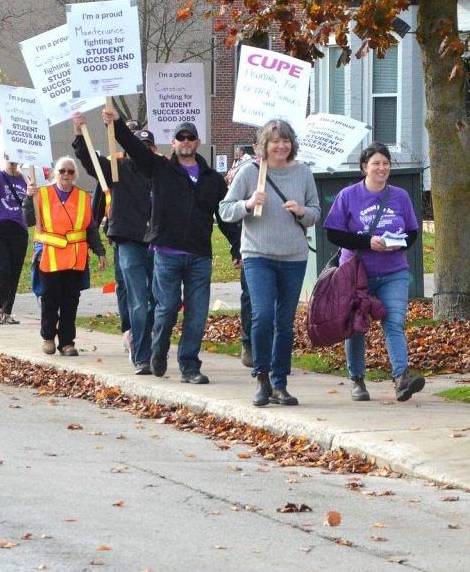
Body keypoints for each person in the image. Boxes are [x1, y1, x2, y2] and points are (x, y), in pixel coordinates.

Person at [103, 108, 238, 384]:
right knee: (166, 308)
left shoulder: (212, 179)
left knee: (197, 314)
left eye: (190, 137)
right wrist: (116, 124)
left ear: (197, 142)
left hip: (199, 256)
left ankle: (189, 366)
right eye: (181, 137)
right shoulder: (160, 168)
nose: (186, 141)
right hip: (166, 253)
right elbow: (132, 147)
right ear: (173, 143)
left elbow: (224, 217)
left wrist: (237, 246)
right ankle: (158, 350)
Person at [220, 119, 321, 406]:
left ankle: (280, 382)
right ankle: (261, 377)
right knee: (263, 315)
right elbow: (225, 209)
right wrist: (248, 204)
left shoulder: (303, 173)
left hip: (293, 256)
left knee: (284, 322)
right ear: (264, 145)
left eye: (286, 140)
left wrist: (302, 211)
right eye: (275, 141)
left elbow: (315, 212)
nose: (281, 145)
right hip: (258, 255)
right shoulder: (250, 172)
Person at [323, 142, 424, 403]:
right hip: (356, 274)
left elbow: (413, 231)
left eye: (386, 163)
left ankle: (402, 378)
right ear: (364, 167)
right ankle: (357, 379)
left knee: (394, 322)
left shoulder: (400, 196)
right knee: (356, 326)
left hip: (394, 272)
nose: (382, 168)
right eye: (376, 163)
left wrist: (397, 242)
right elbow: (333, 233)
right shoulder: (348, 196)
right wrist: (367, 243)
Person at [72, 113, 156, 374]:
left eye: (147, 147)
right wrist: (79, 132)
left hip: (157, 243)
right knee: (138, 299)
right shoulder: (117, 171)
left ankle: (148, 343)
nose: (142, 151)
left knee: (158, 300)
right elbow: (90, 161)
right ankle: (142, 355)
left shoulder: (161, 172)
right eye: (137, 146)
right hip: (128, 241)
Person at [30, 156, 106, 356]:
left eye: (70, 172)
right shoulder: (42, 194)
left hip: (75, 257)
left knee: (70, 301)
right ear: (55, 172)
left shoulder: (83, 198)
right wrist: (27, 199)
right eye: (62, 171)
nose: (66, 175)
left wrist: (99, 251)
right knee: (49, 299)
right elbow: (29, 219)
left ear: (75, 176)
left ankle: (66, 342)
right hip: (50, 256)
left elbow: (91, 228)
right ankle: (48, 337)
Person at [0, 150, 31, 324]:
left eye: (16, 159)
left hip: (18, 229)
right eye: (9, 158)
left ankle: (8, 311)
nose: (12, 161)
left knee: (15, 272)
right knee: (3, 269)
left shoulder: (24, 180)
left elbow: (32, 202)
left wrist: (28, 182)